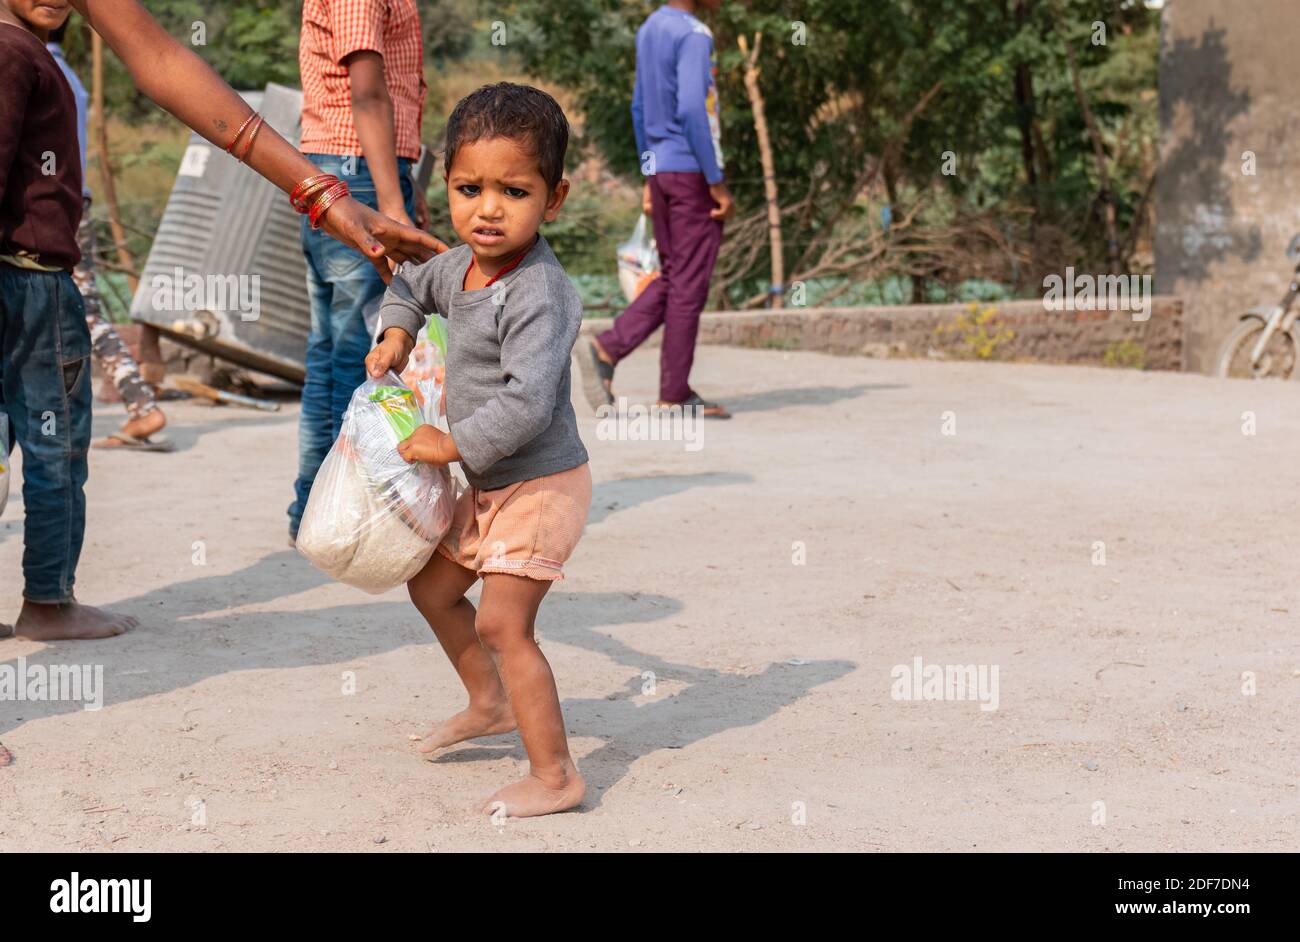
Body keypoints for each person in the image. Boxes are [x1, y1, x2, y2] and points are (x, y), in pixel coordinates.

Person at [2, 0, 444, 642]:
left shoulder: (31, 52)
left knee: (332, 356)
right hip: (30, 285)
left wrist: (327, 200)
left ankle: (51, 595)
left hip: (46, 280)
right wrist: (366, 196)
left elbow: (159, 59)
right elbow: (366, 92)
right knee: (343, 354)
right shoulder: (13, 55)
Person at [366, 84, 592, 817]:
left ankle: (556, 775)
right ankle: (489, 699)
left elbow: (527, 402)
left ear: (553, 199)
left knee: (503, 623)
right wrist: (396, 333)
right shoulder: (457, 266)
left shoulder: (540, 292)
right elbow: (405, 284)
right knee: (431, 588)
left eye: (513, 191)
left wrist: (452, 442)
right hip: (489, 483)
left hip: (541, 484)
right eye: (469, 188)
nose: (488, 209)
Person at [290, 0, 430, 544]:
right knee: (357, 351)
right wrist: (391, 204)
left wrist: (403, 182)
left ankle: (312, 506)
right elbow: (367, 93)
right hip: (355, 173)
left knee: (329, 349)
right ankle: (342, 509)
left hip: (342, 168)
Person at [576, 0, 736, 419]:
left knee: (673, 276)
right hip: (691, 172)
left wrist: (651, 175)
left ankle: (606, 349)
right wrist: (716, 181)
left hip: (663, 171)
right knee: (689, 283)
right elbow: (691, 109)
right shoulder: (694, 34)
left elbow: (639, 109)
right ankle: (674, 392)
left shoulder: (650, 29)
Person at [47, 23, 170, 451]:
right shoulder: (69, 76)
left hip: (52, 209)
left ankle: (138, 405)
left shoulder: (31, 66)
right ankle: (139, 404)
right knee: (86, 308)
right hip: (77, 202)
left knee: (79, 312)